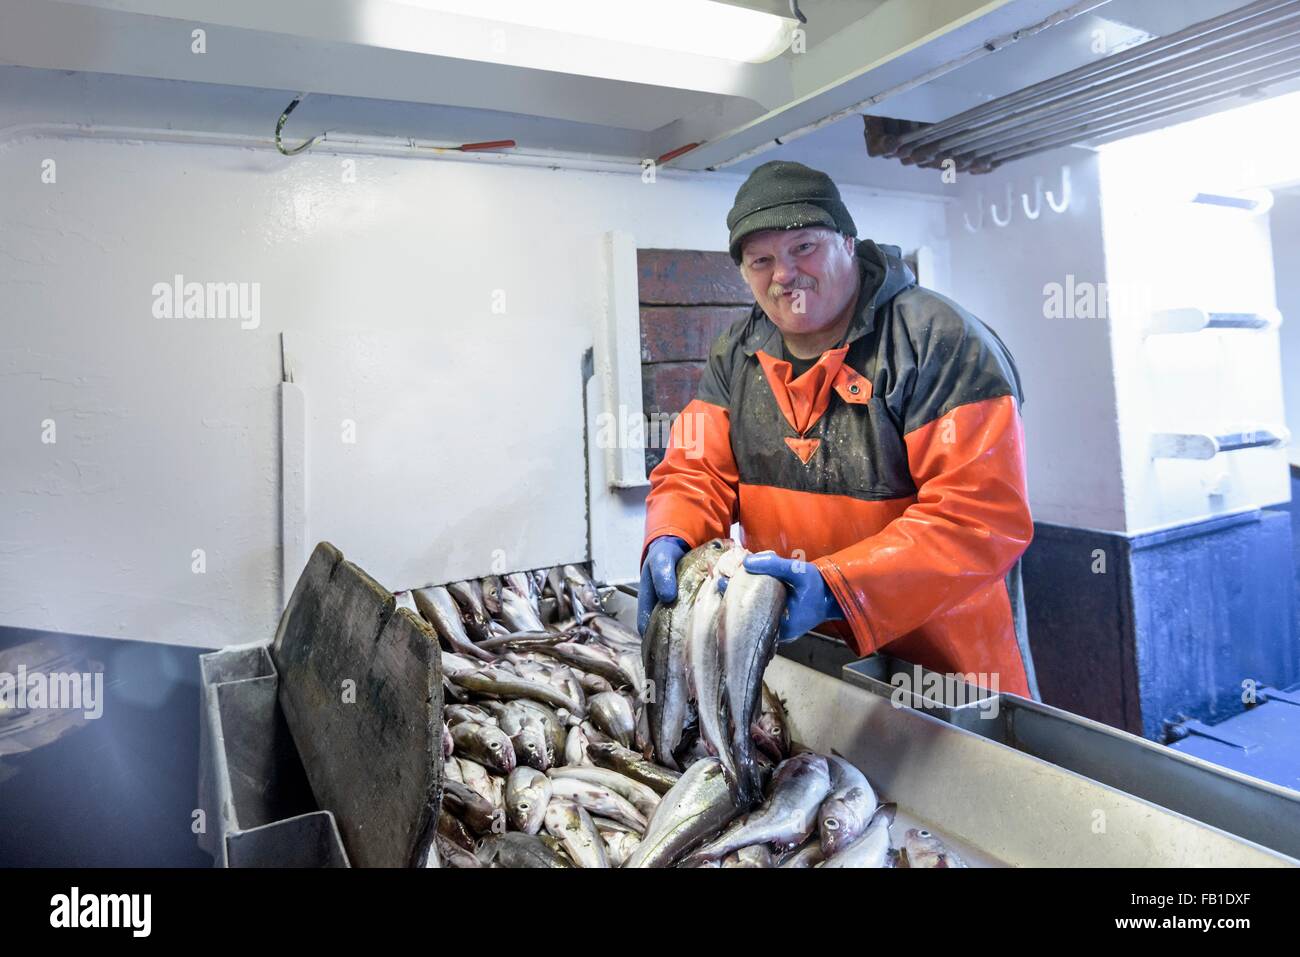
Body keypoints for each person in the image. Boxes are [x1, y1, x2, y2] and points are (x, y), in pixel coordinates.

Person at [638, 160, 1037, 697]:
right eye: (761, 260)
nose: (783, 275)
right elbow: (694, 470)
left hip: (947, 676)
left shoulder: (940, 342)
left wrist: (838, 588)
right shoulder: (736, 354)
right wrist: (672, 533)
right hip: (797, 656)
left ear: (848, 241)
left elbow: (978, 519)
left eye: (804, 247)